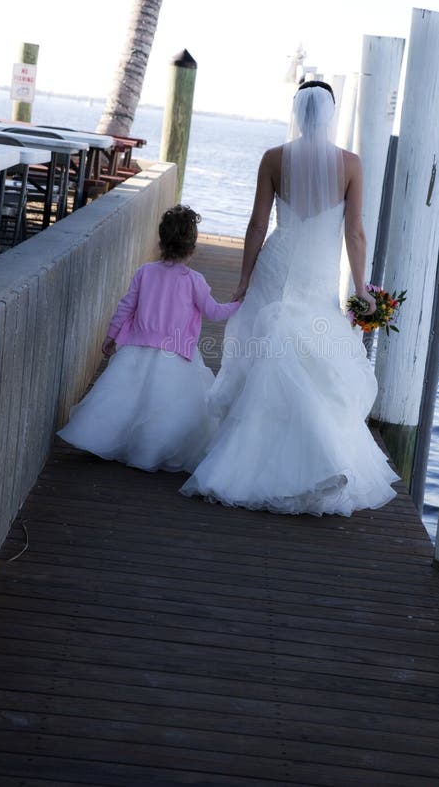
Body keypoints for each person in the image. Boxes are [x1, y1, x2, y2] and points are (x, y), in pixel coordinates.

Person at [181, 82, 397, 515]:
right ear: (331, 113)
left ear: (298, 113)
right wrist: (360, 289)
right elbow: (355, 232)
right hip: (319, 271)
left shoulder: (273, 158)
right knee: (312, 360)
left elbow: (257, 224)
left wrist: (244, 278)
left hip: (276, 265)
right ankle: (322, 458)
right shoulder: (351, 164)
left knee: (268, 356)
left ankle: (252, 459)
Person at [58, 205, 241, 472]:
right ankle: (149, 451)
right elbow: (214, 312)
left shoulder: (145, 272)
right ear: (192, 247)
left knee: (123, 399)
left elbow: (125, 306)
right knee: (163, 409)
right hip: (175, 355)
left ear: (161, 241)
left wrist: (111, 335)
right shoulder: (195, 280)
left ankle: (103, 440)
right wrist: (239, 303)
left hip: (136, 347)